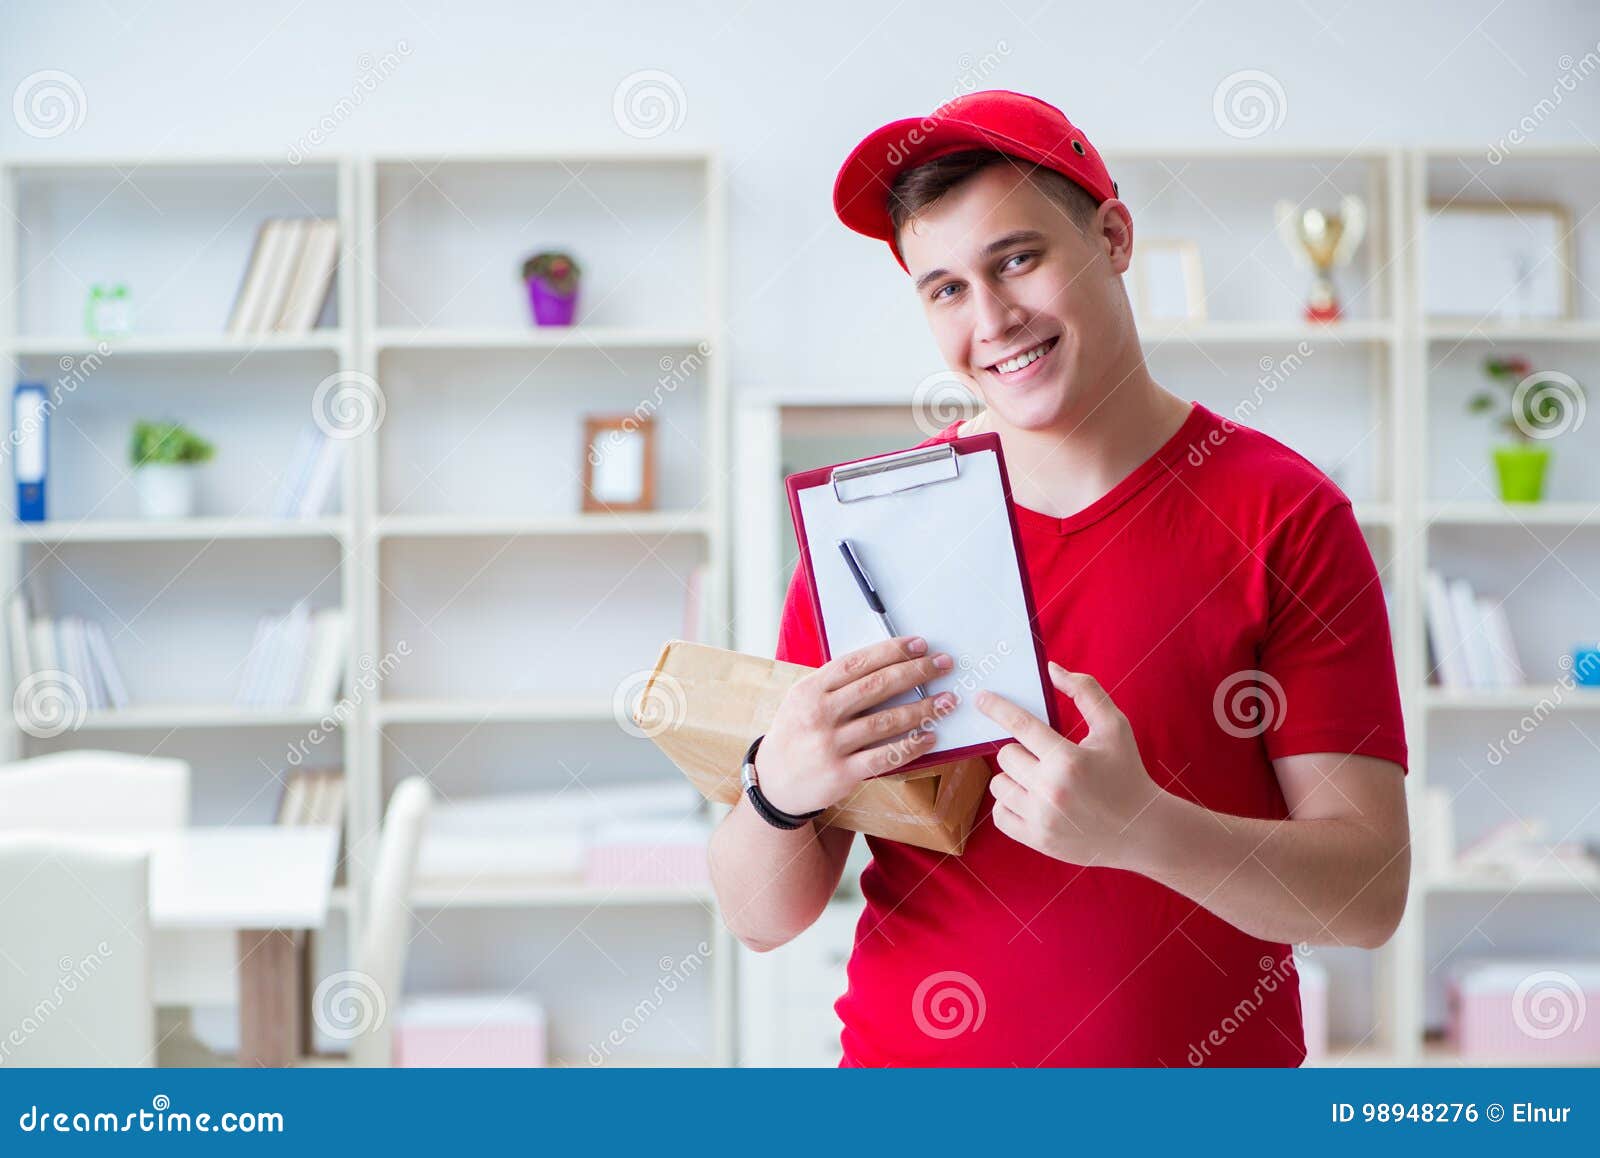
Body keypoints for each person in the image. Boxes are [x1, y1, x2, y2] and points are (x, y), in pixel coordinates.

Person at [707, 89, 1409, 1067]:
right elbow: (761, 919)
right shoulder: (867, 536)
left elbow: (1368, 894)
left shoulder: (1281, 513)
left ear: (1112, 238)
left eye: (1016, 260)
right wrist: (778, 789)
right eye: (945, 288)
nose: (992, 320)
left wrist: (1145, 830)